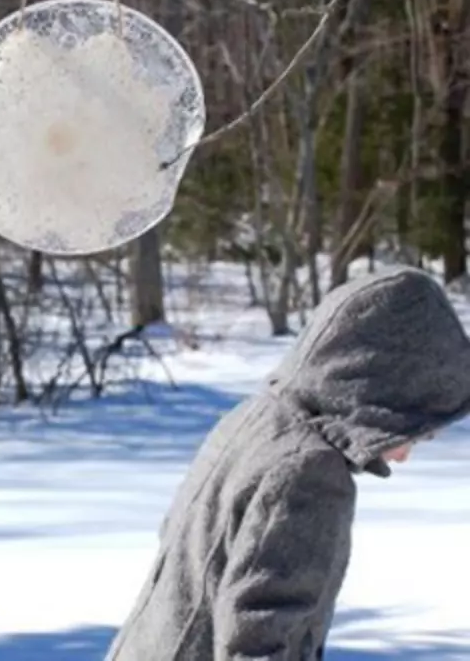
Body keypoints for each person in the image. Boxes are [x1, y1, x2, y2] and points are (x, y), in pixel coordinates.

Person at [105, 267, 470, 660]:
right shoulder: (307, 472)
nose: (404, 453)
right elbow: (262, 641)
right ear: (380, 390)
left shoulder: (254, 420)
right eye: (412, 427)